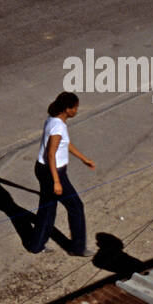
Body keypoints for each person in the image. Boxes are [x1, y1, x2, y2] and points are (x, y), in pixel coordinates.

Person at [28, 92, 95, 256]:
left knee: (48, 208)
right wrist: (57, 182)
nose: (76, 110)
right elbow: (51, 154)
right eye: (75, 107)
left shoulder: (52, 120)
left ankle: (36, 245)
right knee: (76, 207)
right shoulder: (58, 127)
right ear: (67, 109)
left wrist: (83, 158)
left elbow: (65, 144)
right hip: (53, 172)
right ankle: (77, 247)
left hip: (42, 168)